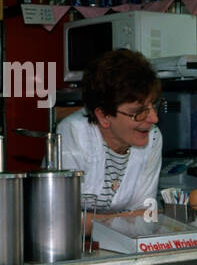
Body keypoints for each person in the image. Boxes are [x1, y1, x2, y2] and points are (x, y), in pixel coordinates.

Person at [57, 48, 163, 227]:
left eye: (153, 106)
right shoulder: (72, 133)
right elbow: (61, 219)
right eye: (138, 112)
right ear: (104, 116)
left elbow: (146, 215)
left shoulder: (152, 138)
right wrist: (123, 219)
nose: (153, 118)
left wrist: (91, 221)